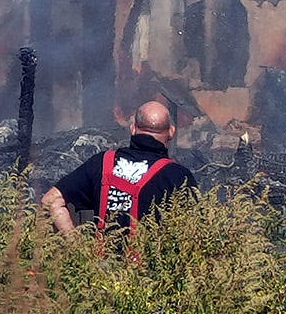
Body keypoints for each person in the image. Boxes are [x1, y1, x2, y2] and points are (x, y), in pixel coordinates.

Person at [42, 100, 199, 238]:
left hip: (99, 268)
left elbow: (51, 200)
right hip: (150, 270)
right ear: (171, 132)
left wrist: (78, 250)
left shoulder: (101, 163)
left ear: (132, 128)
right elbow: (197, 232)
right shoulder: (177, 176)